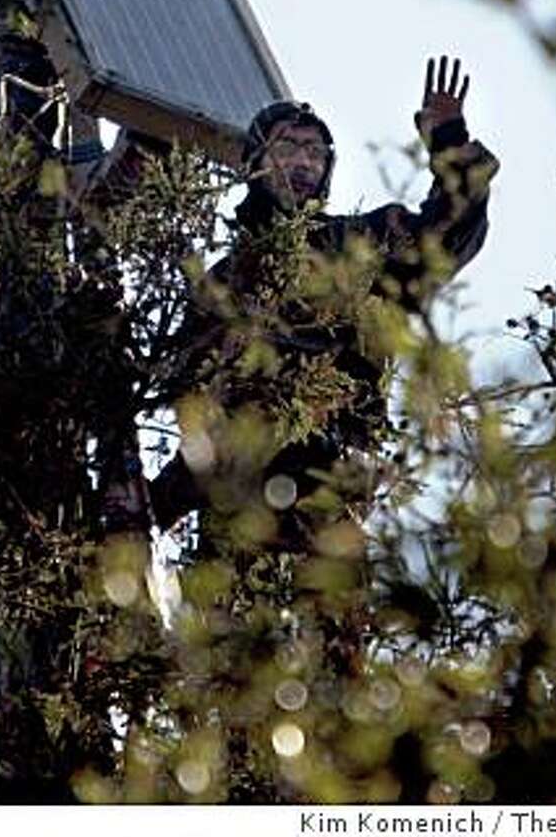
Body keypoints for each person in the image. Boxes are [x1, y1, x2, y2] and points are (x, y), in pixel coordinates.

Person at [109, 54, 498, 549]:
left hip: (326, 484)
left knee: (323, 613)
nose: (302, 162)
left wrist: (448, 139)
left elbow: (447, 235)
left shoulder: (359, 243)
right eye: (287, 147)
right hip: (233, 504)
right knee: (226, 621)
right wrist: (157, 502)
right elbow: (195, 400)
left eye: (316, 153)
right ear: (255, 162)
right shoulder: (221, 282)